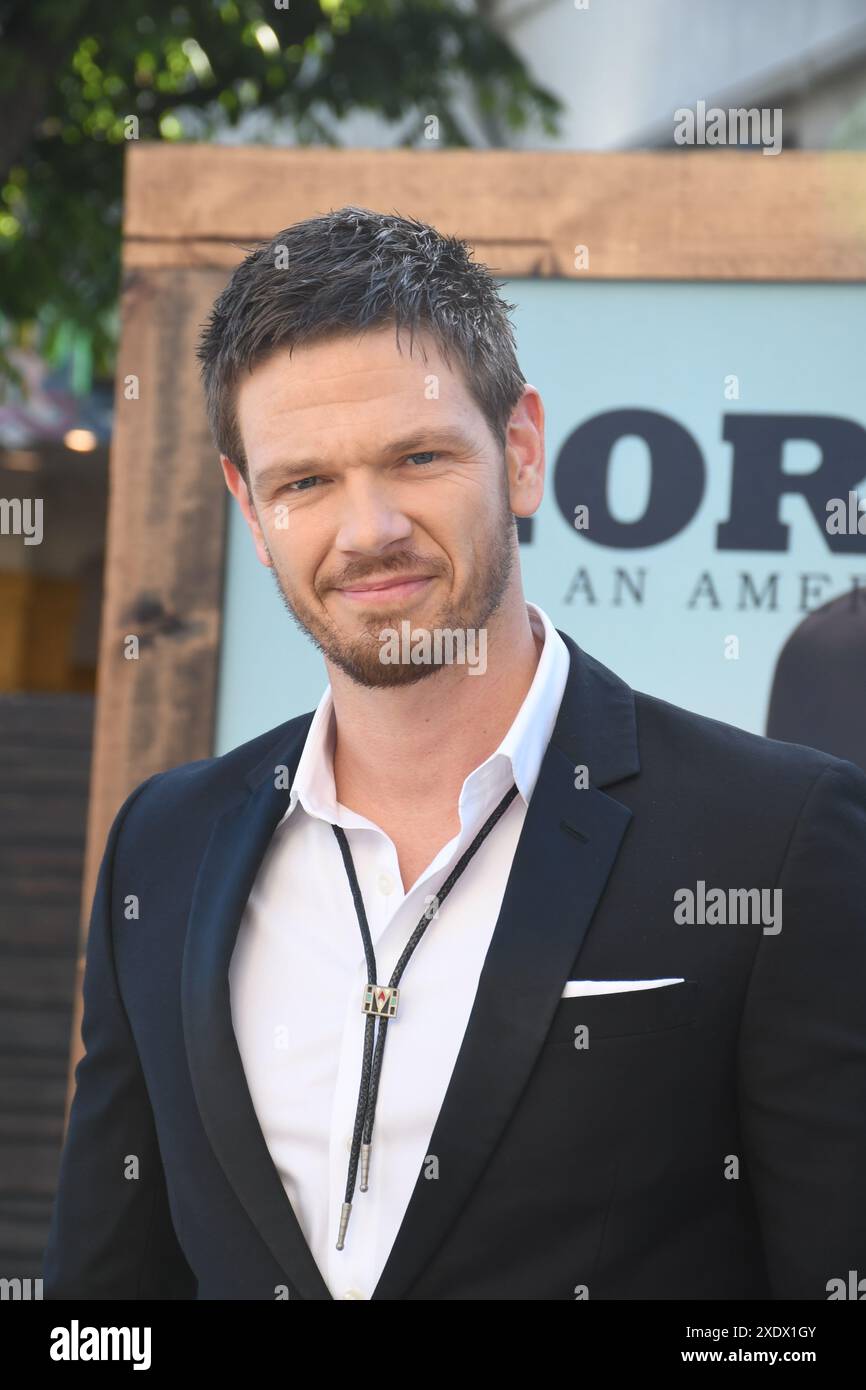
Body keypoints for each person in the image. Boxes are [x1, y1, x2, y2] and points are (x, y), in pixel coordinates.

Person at [43, 208, 866, 1300]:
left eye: (417, 456)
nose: (367, 530)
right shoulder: (164, 846)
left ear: (519, 453)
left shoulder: (775, 836)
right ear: (249, 508)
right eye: (305, 482)